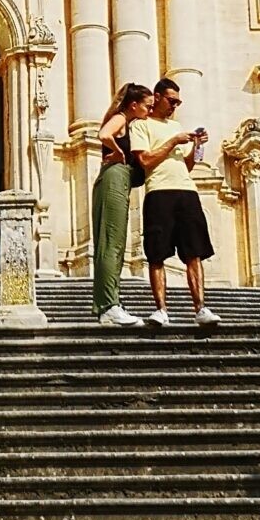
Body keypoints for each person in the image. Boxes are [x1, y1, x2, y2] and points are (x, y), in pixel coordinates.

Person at [131, 78, 221, 331]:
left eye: (178, 103)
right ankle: (161, 309)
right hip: (159, 191)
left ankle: (200, 308)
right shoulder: (141, 125)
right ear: (158, 97)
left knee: (194, 252)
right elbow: (145, 161)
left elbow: (187, 166)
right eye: (172, 101)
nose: (174, 106)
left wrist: (197, 147)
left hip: (186, 191)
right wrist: (173, 141)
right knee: (157, 253)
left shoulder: (176, 126)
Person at [93, 83, 152, 328]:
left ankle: (110, 304)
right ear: (133, 105)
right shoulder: (120, 118)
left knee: (114, 242)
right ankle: (109, 307)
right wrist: (118, 152)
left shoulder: (128, 122)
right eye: (147, 106)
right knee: (112, 242)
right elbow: (103, 134)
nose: (149, 110)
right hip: (114, 178)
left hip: (118, 180)